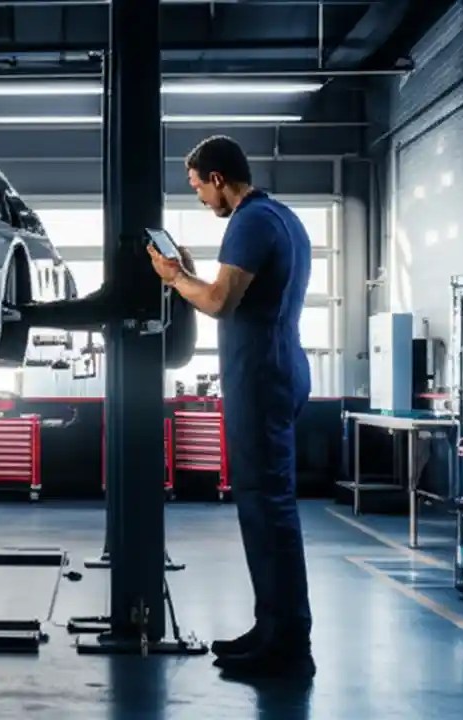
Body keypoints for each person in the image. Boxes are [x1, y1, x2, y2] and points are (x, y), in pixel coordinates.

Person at [147, 135, 315, 679]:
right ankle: (272, 628)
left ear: (217, 178)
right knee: (267, 508)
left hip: (261, 377)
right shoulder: (282, 218)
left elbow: (220, 302)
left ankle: (288, 644)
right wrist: (190, 272)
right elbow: (237, 291)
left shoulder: (249, 222)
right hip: (280, 368)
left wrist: (175, 277)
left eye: (198, 186)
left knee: (267, 509)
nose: (199, 197)